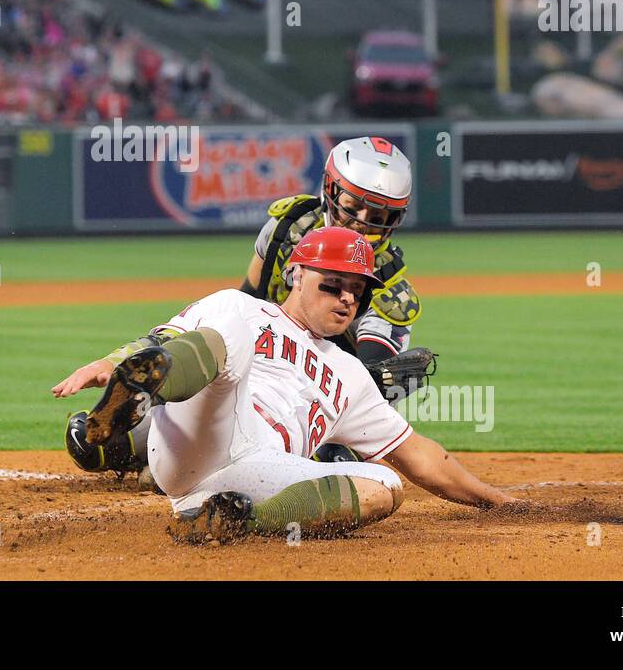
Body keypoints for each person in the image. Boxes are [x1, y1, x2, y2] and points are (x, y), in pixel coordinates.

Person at [53, 227, 518, 542]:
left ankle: (232, 523)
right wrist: (116, 362)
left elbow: (420, 454)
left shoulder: (352, 376)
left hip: (258, 473)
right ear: (296, 274)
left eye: (357, 290)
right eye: (333, 284)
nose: (346, 298)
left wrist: (499, 501)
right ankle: (136, 395)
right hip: (203, 431)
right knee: (232, 327)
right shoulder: (244, 309)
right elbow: (167, 338)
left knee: (384, 483)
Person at [63, 136, 430, 477]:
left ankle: (211, 469)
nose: (363, 224)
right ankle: (159, 435)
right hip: (257, 365)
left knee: (333, 460)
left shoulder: (391, 292)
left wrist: (380, 381)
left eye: (379, 217)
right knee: (92, 442)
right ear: (330, 191)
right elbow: (242, 305)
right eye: (354, 207)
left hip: (314, 399)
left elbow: (362, 379)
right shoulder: (287, 228)